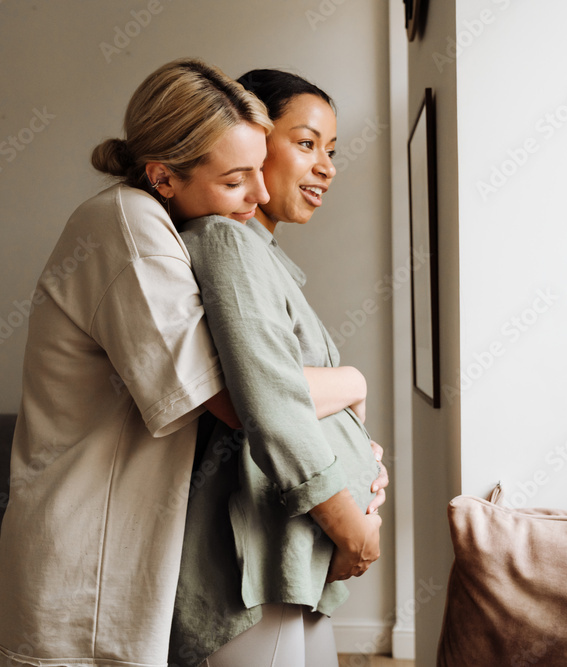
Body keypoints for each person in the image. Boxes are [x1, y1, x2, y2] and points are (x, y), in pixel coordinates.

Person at [0, 59, 384, 667]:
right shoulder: (134, 232)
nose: (257, 195)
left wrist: (356, 452)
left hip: (140, 540)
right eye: (237, 179)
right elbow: (242, 397)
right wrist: (353, 387)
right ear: (163, 176)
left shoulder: (167, 226)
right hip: (93, 557)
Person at [168, 70, 386, 667]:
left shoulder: (261, 256)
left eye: (331, 150)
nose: (327, 167)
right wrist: (351, 529)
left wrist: (359, 449)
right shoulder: (227, 242)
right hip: (258, 558)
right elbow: (266, 401)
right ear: (252, 139)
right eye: (307, 143)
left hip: (291, 550)